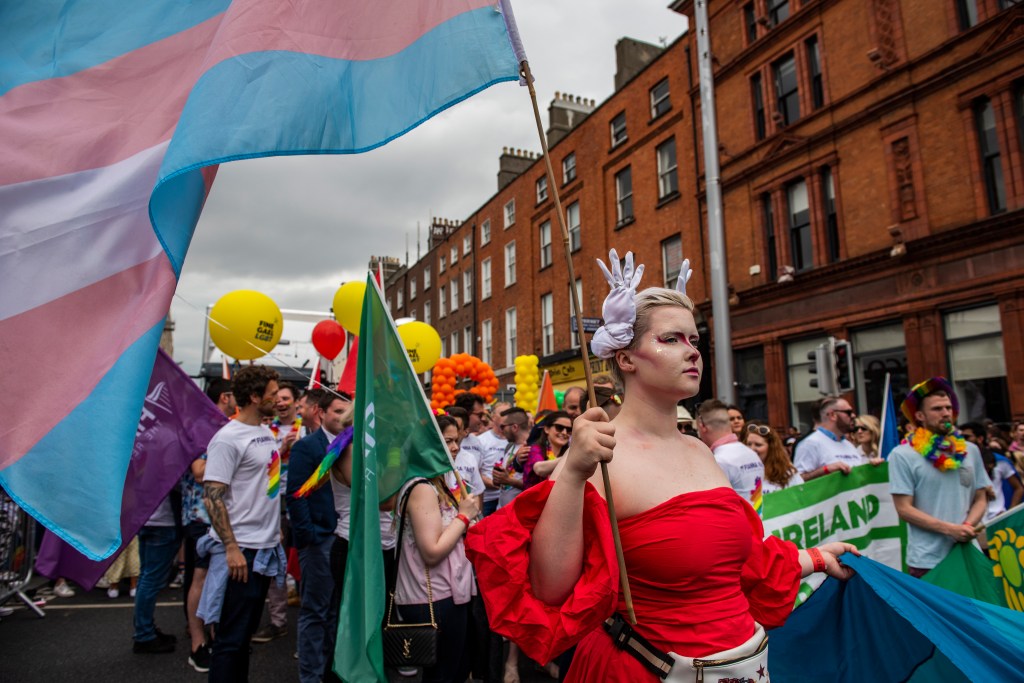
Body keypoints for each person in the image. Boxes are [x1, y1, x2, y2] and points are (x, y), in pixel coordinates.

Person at [466, 250, 857, 681]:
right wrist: (573, 471)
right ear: (626, 358)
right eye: (671, 340)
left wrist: (816, 558)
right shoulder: (596, 459)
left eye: (694, 340)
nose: (692, 353)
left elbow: (738, 565)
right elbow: (551, 589)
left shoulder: (700, 453)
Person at [200, 365, 287, 681]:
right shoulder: (227, 438)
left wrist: (273, 524)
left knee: (244, 637)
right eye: (273, 393)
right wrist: (231, 548)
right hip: (242, 552)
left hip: (265, 547)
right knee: (230, 639)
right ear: (254, 397)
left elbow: (265, 483)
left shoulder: (265, 431)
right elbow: (212, 496)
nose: (278, 399)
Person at [394, 415, 482, 683]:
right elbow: (431, 551)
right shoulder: (421, 488)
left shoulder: (437, 483)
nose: (456, 447)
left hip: (449, 592)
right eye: (448, 441)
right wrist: (464, 517)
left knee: (455, 669)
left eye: (456, 440)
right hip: (432, 598)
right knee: (444, 674)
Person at [888, 377, 991, 578]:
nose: (945, 413)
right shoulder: (902, 454)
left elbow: (981, 497)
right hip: (928, 559)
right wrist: (950, 530)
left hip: (968, 553)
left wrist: (967, 526)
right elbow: (904, 508)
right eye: (937, 409)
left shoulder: (970, 450)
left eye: (948, 408)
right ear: (920, 415)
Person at [286, 393, 346, 683]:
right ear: (321, 413)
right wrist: (308, 536)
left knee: (336, 609)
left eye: (348, 412)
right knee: (315, 611)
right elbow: (296, 495)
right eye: (337, 412)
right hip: (319, 540)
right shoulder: (307, 447)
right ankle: (310, 676)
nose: (343, 418)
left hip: (345, 539)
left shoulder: (351, 445)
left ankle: (330, 670)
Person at [180, 377, 237, 672]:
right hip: (202, 517)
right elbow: (199, 471)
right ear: (225, 397)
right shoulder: (204, 426)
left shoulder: (223, 426)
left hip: (222, 516)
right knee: (200, 580)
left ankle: (214, 637)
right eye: (235, 396)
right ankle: (197, 643)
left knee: (219, 582)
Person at [132, 492, 182, 655]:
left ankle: (145, 629)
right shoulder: (164, 465)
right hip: (162, 521)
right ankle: (144, 635)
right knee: (150, 580)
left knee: (146, 577)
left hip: (145, 517)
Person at [696, 399, 764, 505]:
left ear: (702, 426)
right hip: (758, 518)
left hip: (740, 520)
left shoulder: (718, 461)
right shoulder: (751, 453)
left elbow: (714, 506)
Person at [960, 421, 1024, 522]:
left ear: (980, 439)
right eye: (960, 437)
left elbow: (1018, 488)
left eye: (967, 437)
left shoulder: (999, 460)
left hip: (999, 521)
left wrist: (1010, 514)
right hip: (972, 523)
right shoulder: (957, 462)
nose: (962, 440)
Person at [793, 396, 865, 480]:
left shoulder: (848, 444)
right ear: (832, 415)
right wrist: (825, 470)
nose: (853, 415)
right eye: (848, 412)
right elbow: (798, 481)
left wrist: (871, 467)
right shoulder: (811, 443)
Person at [743, 422, 803, 493]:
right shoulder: (740, 471)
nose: (752, 449)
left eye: (758, 445)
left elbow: (801, 497)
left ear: (771, 448)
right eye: (749, 444)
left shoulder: (787, 472)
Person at [477, 402, 512, 516]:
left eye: (510, 413)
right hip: (488, 499)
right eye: (503, 413)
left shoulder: (516, 440)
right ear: (492, 417)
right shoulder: (481, 440)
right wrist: (493, 483)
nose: (507, 417)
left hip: (510, 498)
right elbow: (476, 472)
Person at [523, 411, 572, 490]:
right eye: (559, 427)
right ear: (546, 429)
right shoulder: (535, 449)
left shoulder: (566, 452)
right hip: (534, 501)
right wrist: (570, 457)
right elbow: (539, 469)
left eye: (569, 429)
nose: (564, 432)